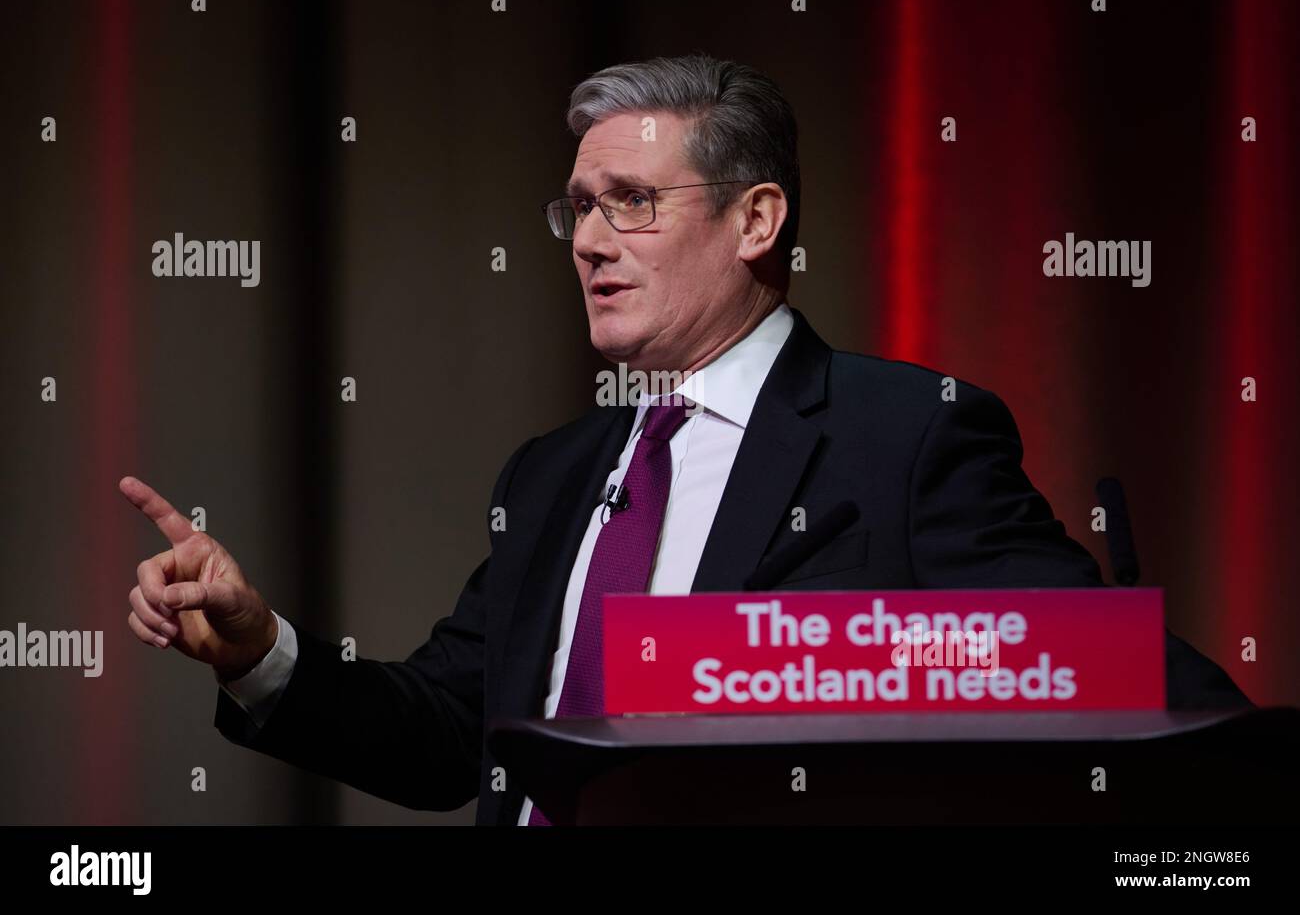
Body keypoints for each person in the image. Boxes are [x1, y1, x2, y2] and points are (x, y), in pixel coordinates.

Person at [120, 53, 1249, 827]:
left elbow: (1107, 675)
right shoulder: (554, 474)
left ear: (756, 219)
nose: (589, 241)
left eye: (632, 202)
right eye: (578, 208)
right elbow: (451, 734)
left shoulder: (903, 437)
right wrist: (261, 648)